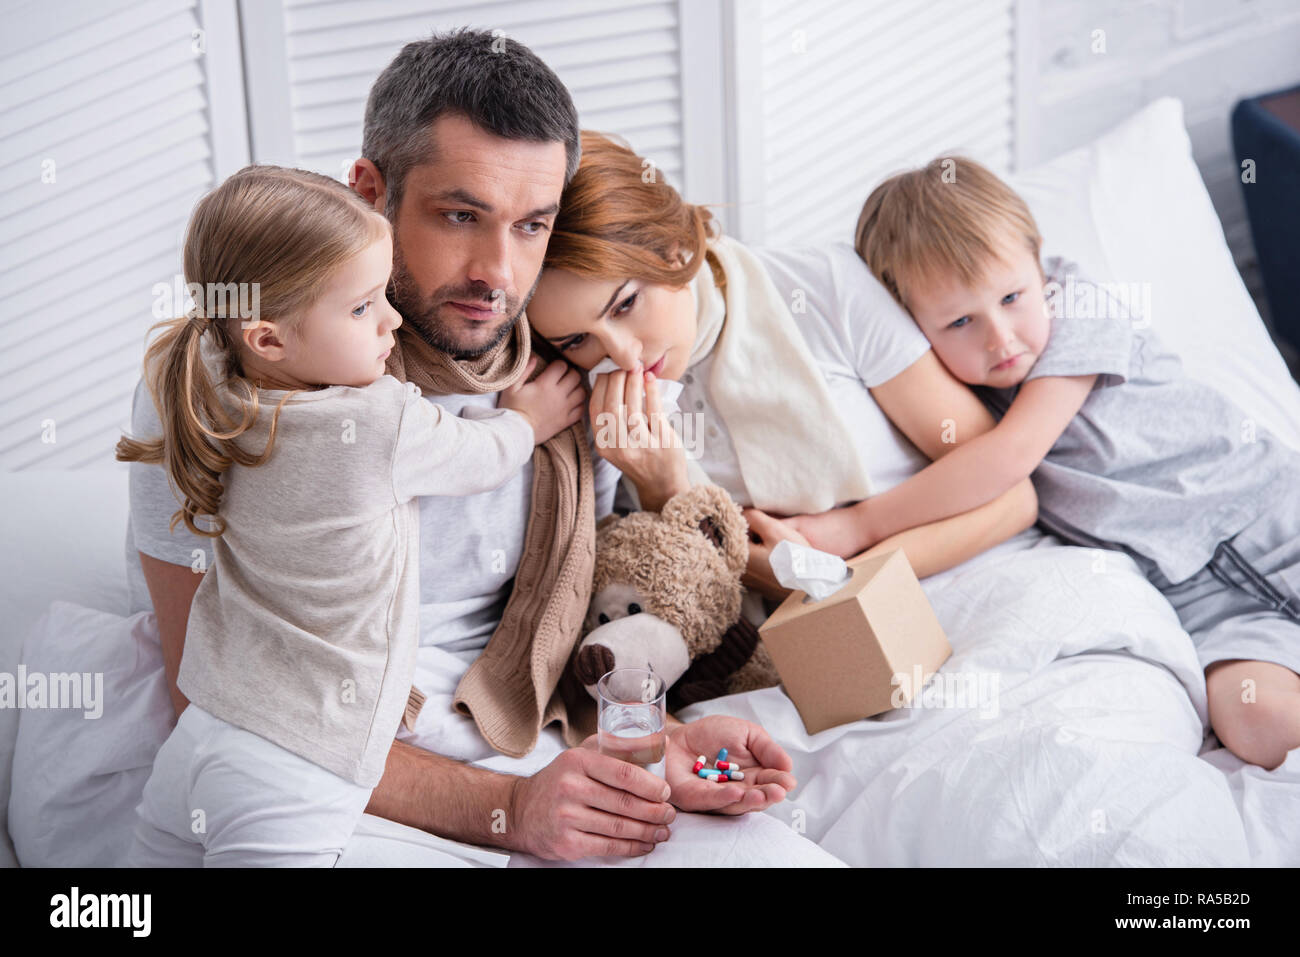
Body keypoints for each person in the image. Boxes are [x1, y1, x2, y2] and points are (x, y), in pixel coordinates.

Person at [127, 29, 807, 864]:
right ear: (370, 191)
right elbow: (211, 696)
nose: (498, 273)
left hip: (536, 746)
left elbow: (584, 627)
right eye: (460, 216)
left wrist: (648, 743)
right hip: (317, 769)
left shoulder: (558, 369)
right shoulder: (227, 386)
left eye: (532, 227)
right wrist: (506, 807)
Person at [117, 166, 574, 865]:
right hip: (300, 762)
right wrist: (528, 419)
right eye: (363, 308)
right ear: (268, 338)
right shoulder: (381, 420)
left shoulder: (212, 399)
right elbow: (483, 457)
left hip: (204, 728)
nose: (391, 319)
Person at [835, 155, 1300, 770]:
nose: (1000, 338)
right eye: (960, 321)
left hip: (1264, 511)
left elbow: (1012, 456)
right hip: (1201, 603)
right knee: (1256, 718)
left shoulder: (1076, 310)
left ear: (1039, 263)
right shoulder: (956, 397)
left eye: (1011, 297)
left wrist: (857, 526)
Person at [525, 131, 1040, 617]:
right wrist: (667, 491)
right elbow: (707, 597)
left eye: (627, 304)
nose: (625, 355)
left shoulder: (823, 288)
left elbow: (1013, 497)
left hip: (963, 575)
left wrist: (846, 565)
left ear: (674, 247)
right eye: (577, 340)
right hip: (808, 627)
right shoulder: (605, 418)